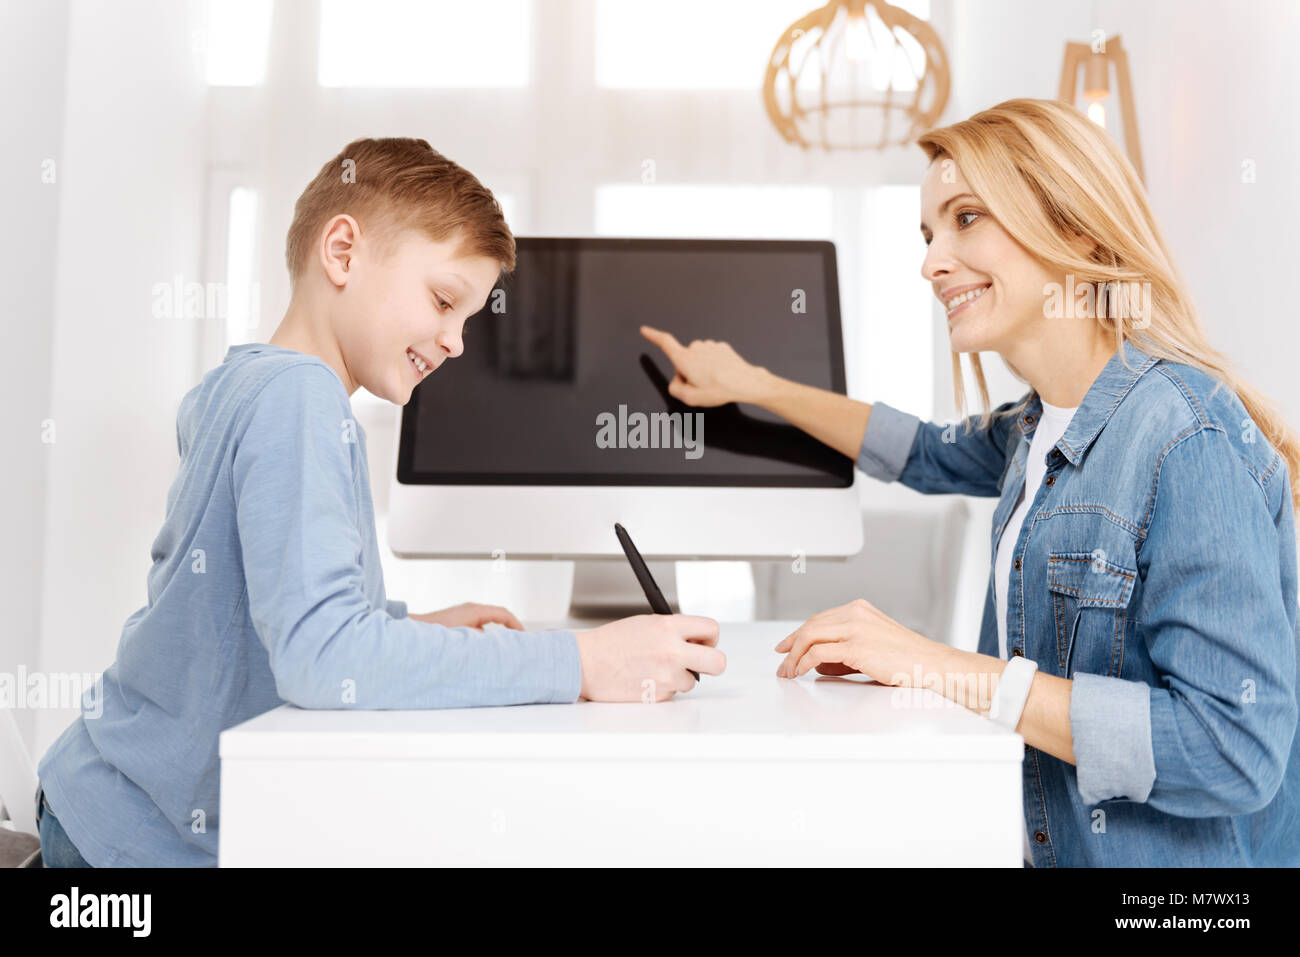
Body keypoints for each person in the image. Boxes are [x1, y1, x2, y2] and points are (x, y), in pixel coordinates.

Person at [643, 98, 1299, 867]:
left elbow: (1233, 749)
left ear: (1075, 226)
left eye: (964, 218)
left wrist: (939, 666)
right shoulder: (1037, 426)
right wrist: (753, 382)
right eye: (928, 234)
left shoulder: (1185, 435)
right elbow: (919, 451)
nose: (930, 262)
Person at [35, 137, 724, 867]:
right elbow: (321, 655)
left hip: (100, 805)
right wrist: (579, 660)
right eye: (443, 300)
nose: (457, 342)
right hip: (128, 845)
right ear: (342, 252)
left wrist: (399, 623)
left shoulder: (248, 385)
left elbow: (257, 608)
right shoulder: (298, 397)